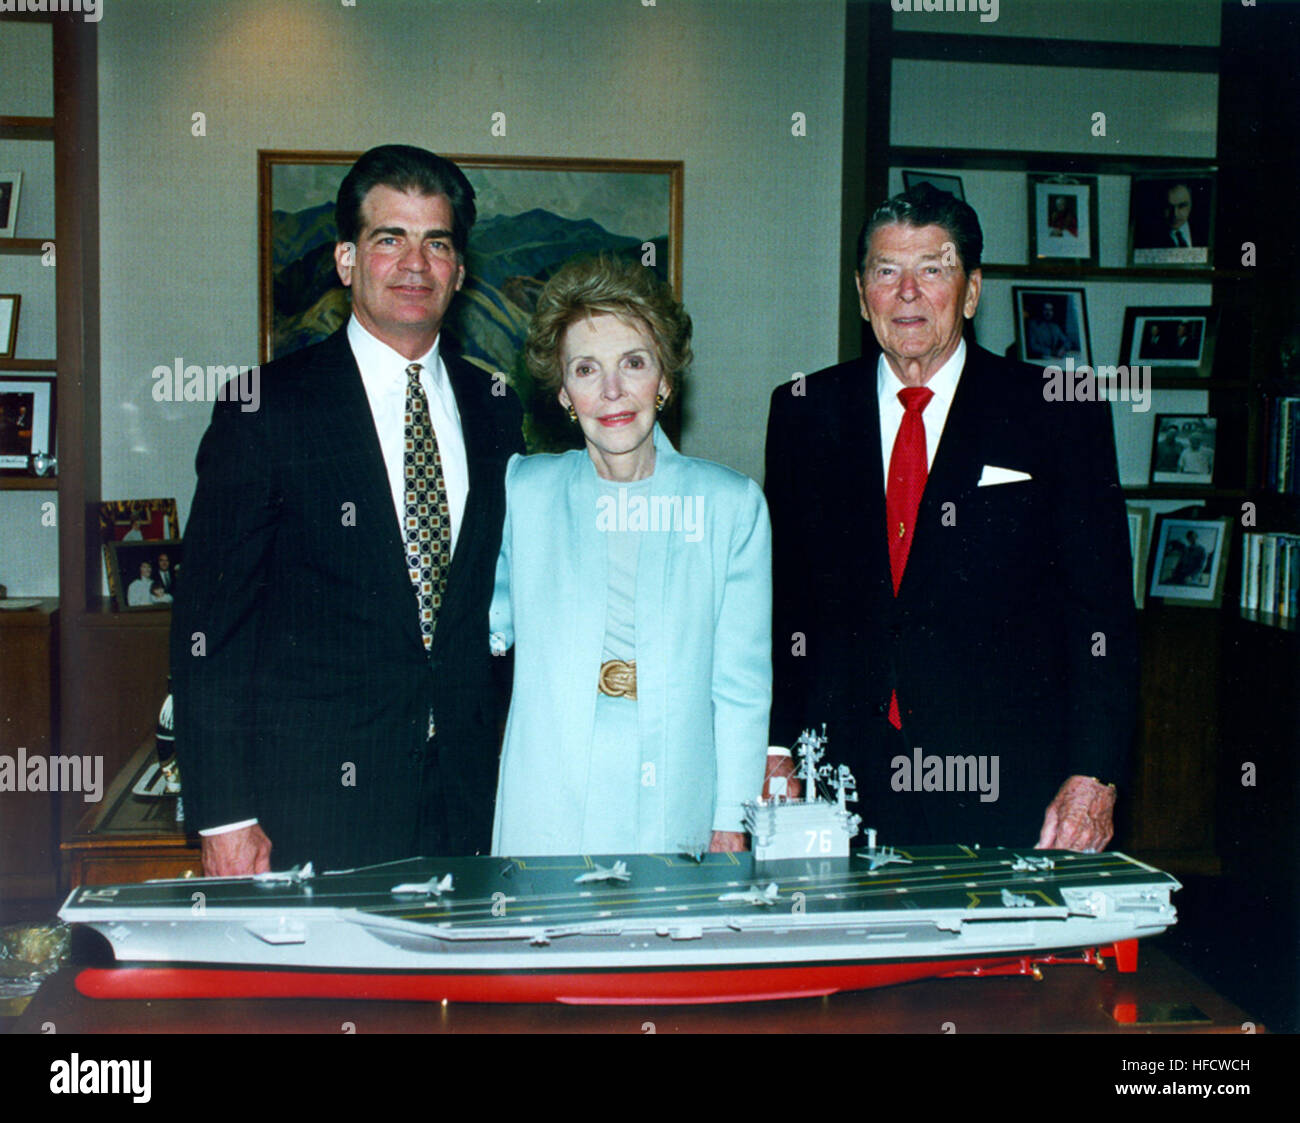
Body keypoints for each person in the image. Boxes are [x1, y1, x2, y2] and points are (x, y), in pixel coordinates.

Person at [171, 145, 523, 876]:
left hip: (467, 800)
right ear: (345, 260)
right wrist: (225, 814)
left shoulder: (496, 409)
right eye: (388, 238)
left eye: (437, 242)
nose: (414, 264)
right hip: (310, 808)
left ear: (459, 270)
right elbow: (211, 625)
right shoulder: (264, 407)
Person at [765, 183, 1137, 852]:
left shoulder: (1060, 408)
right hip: (842, 780)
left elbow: (1102, 613)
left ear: (971, 292)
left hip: (1008, 779)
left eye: (933, 268)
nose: (908, 292)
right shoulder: (803, 411)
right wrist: (775, 745)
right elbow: (786, 603)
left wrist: (1095, 774)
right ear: (861, 293)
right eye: (887, 271)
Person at [489, 255, 774, 856]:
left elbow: (742, 685)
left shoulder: (730, 505)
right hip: (547, 794)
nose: (612, 391)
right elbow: (477, 631)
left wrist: (732, 817)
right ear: (564, 391)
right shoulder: (524, 491)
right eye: (587, 369)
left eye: (634, 364)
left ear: (665, 380)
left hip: (678, 793)